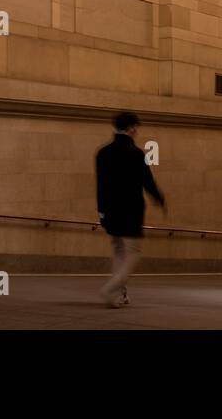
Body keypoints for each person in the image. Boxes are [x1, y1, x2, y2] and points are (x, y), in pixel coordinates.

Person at [95, 111, 165, 308]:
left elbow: (100, 186)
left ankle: (120, 294)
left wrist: (101, 211)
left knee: (119, 252)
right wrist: (159, 199)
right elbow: (147, 182)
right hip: (130, 212)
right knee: (133, 253)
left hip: (110, 211)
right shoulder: (135, 154)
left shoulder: (103, 153)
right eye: (136, 127)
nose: (137, 131)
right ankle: (109, 289)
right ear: (131, 128)